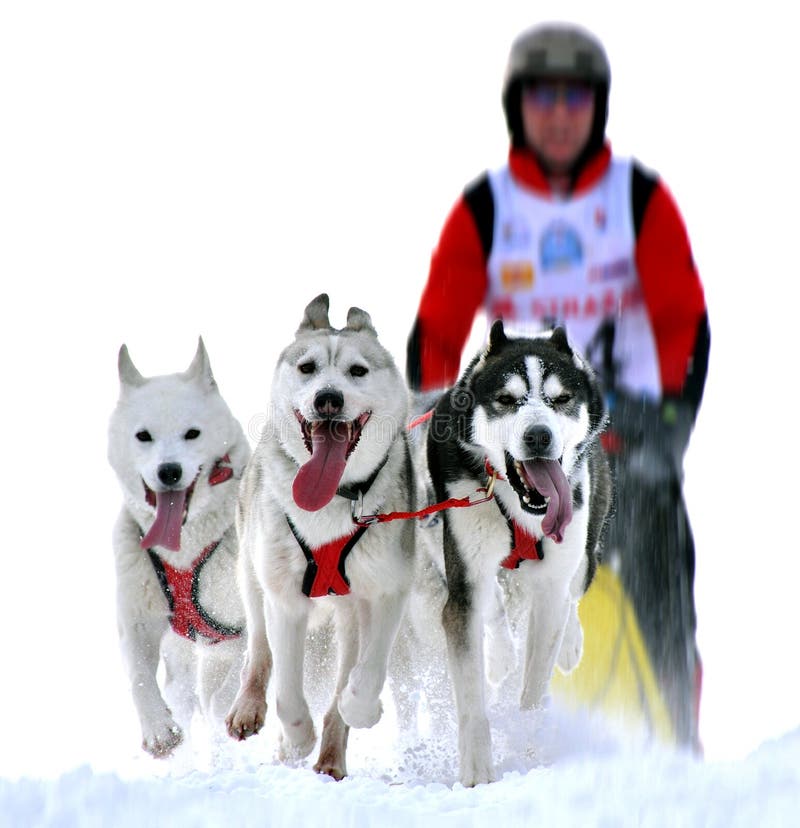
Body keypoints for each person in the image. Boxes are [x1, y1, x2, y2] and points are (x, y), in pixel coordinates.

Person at [406, 22, 710, 750]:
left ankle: (679, 741)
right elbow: (437, 334)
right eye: (543, 97)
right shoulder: (488, 209)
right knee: (464, 558)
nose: (561, 113)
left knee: (659, 555)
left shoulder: (637, 199)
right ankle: (491, 729)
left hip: (629, 427)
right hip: (513, 434)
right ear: (519, 107)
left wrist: (668, 428)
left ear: (597, 106)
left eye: (576, 97)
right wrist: (430, 420)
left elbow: (685, 322)